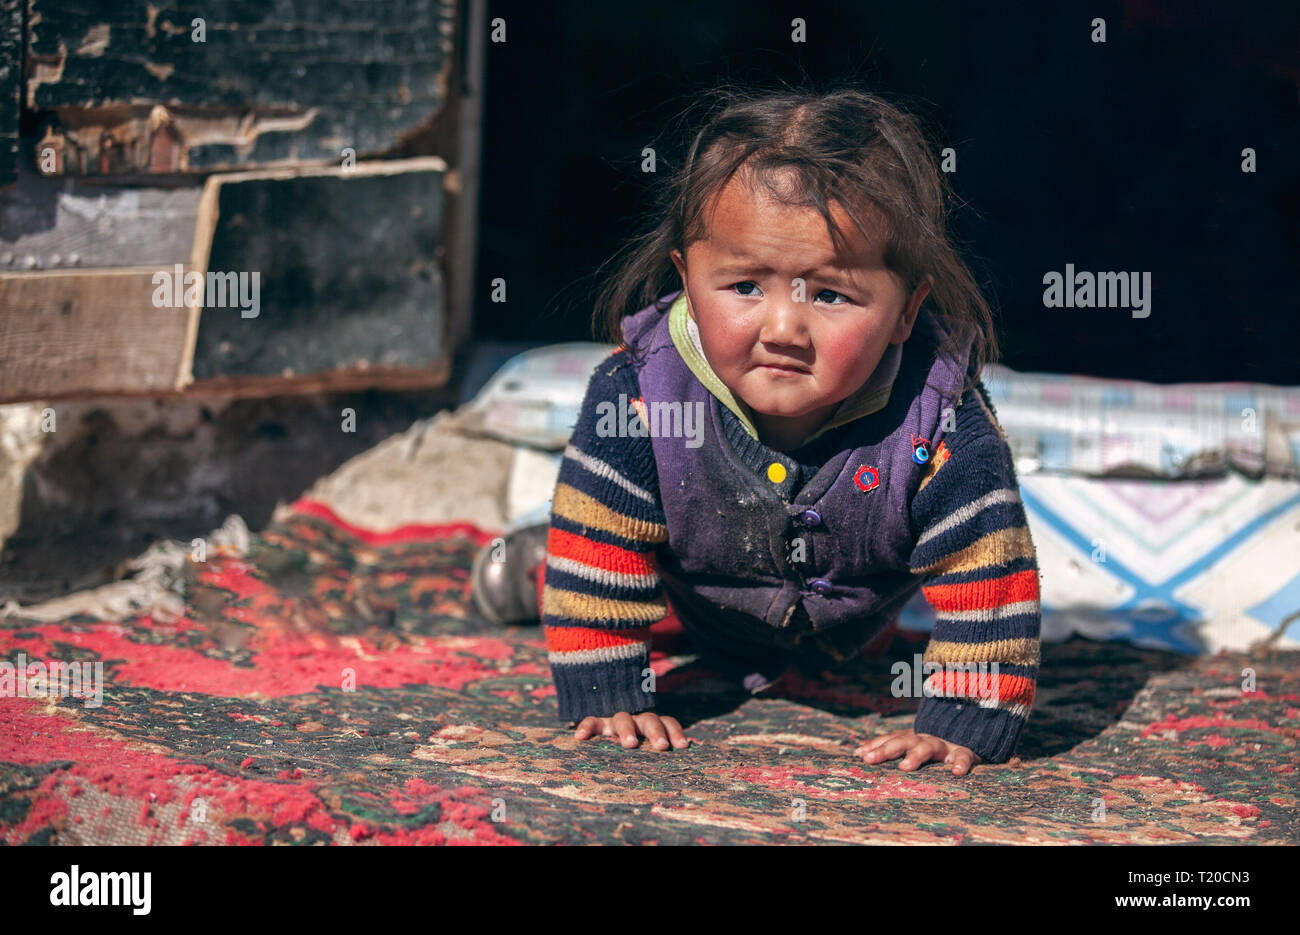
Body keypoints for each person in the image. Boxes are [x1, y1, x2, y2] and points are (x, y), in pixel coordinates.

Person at [472, 85, 1041, 774]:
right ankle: (526, 556)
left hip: (853, 624)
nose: (782, 330)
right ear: (686, 278)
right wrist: (608, 689)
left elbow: (990, 568)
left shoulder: (941, 420)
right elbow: (601, 544)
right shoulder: (642, 399)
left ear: (905, 310)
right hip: (693, 599)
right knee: (583, 552)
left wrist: (969, 715)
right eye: (744, 286)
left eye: (829, 294)